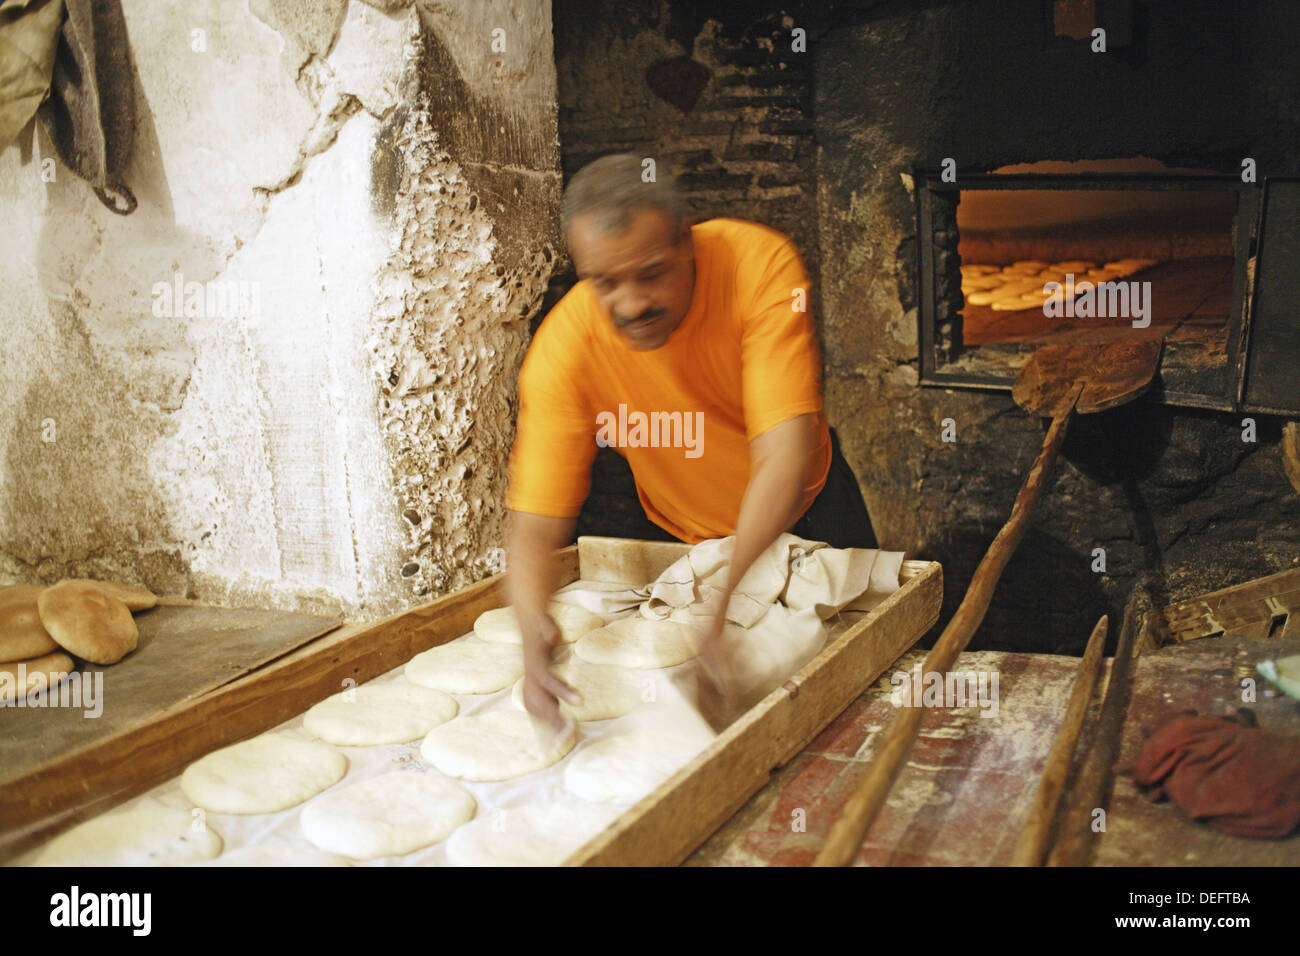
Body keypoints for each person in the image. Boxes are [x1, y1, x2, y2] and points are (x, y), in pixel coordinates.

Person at [504, 153, 876, 734]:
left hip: (812, 517)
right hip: (689, 544)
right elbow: (534, 524)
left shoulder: (758, 266)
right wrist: (531, 630)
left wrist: (723, 610)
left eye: (652, 272)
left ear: (688, 242)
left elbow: (783, 454)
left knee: (854, 700)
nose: (631, 304)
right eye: (604, 283)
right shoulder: (565, 349)